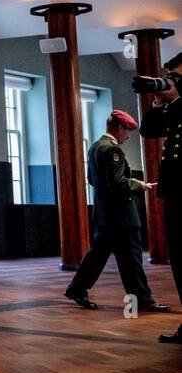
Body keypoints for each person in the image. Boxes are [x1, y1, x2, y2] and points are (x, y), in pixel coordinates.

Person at [64, 109, 170, 314]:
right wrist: (139, 185)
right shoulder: (113, 151)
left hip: (105, 214)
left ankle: (77, 288)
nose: (128, 136)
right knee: (131, 259)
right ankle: (144, 300)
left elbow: (92, 180)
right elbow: (118, 183)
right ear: (120, 128)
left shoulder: (95, 148)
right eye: (127, 131)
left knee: (98, 256)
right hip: (122, 216)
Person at [141, 53, 182, 343]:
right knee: (179, 262)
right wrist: (158, 101)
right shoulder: (174, 107)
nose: (171, 82)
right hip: (175, 192)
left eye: (177, 77)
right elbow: (149, 131)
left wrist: (176, 98)